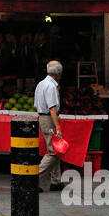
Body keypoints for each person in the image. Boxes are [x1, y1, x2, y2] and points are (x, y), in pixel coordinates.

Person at [34, 60, 65, 192]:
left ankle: (56, 181)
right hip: (48, 118)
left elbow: (35, 105)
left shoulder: (41, 84)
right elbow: (52, 109)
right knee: (53, 151)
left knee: (55, 149)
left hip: (42, 117)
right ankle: (33, 178)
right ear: (58, 73)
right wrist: (57, 127)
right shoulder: (51, 86)